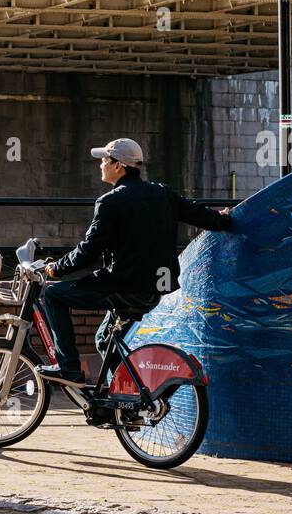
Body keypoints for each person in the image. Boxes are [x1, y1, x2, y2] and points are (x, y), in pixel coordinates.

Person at [39, 137, 236, 383]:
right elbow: (198, 214)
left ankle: (68, 367)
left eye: (104, 160)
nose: (101, 164)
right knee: (105, 340)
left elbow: (89, 250)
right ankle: (127, 400)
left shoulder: (110, 202)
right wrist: (224, 219)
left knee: (52, 295)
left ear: (118, 166)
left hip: (124, 287)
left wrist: (57, 268)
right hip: (155, 289)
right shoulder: (161, 193)